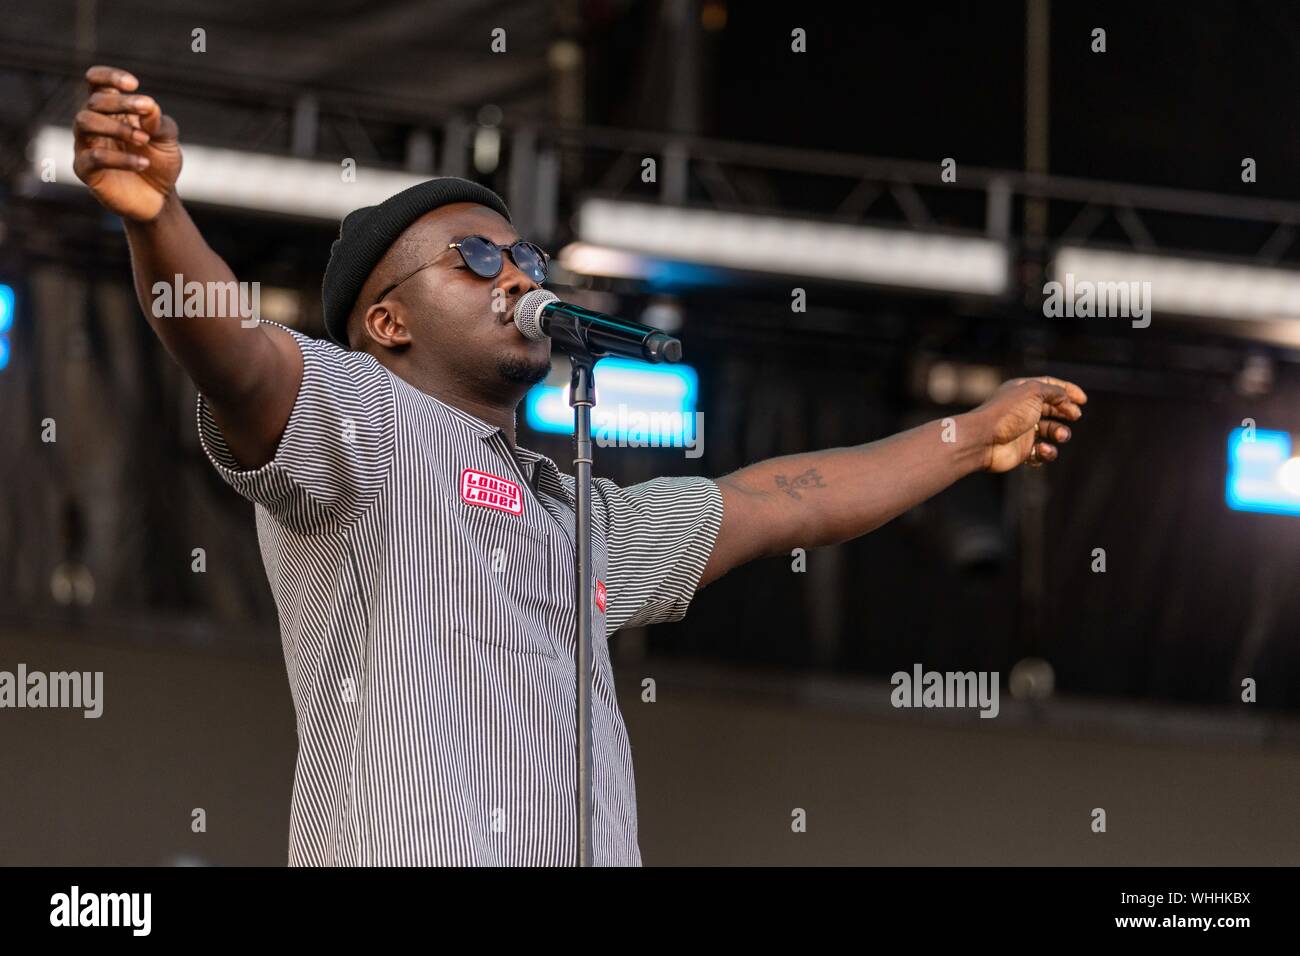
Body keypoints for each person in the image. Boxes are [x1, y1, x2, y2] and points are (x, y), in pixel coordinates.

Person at [72, 65, 1087, 866]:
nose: (514, 272)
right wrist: (157, 219)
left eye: (525, 259)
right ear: (385, 321)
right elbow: (236, 355)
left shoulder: (572, 518)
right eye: (475, 257)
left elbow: (781, 499)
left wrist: (965, 439)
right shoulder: (364, 421)